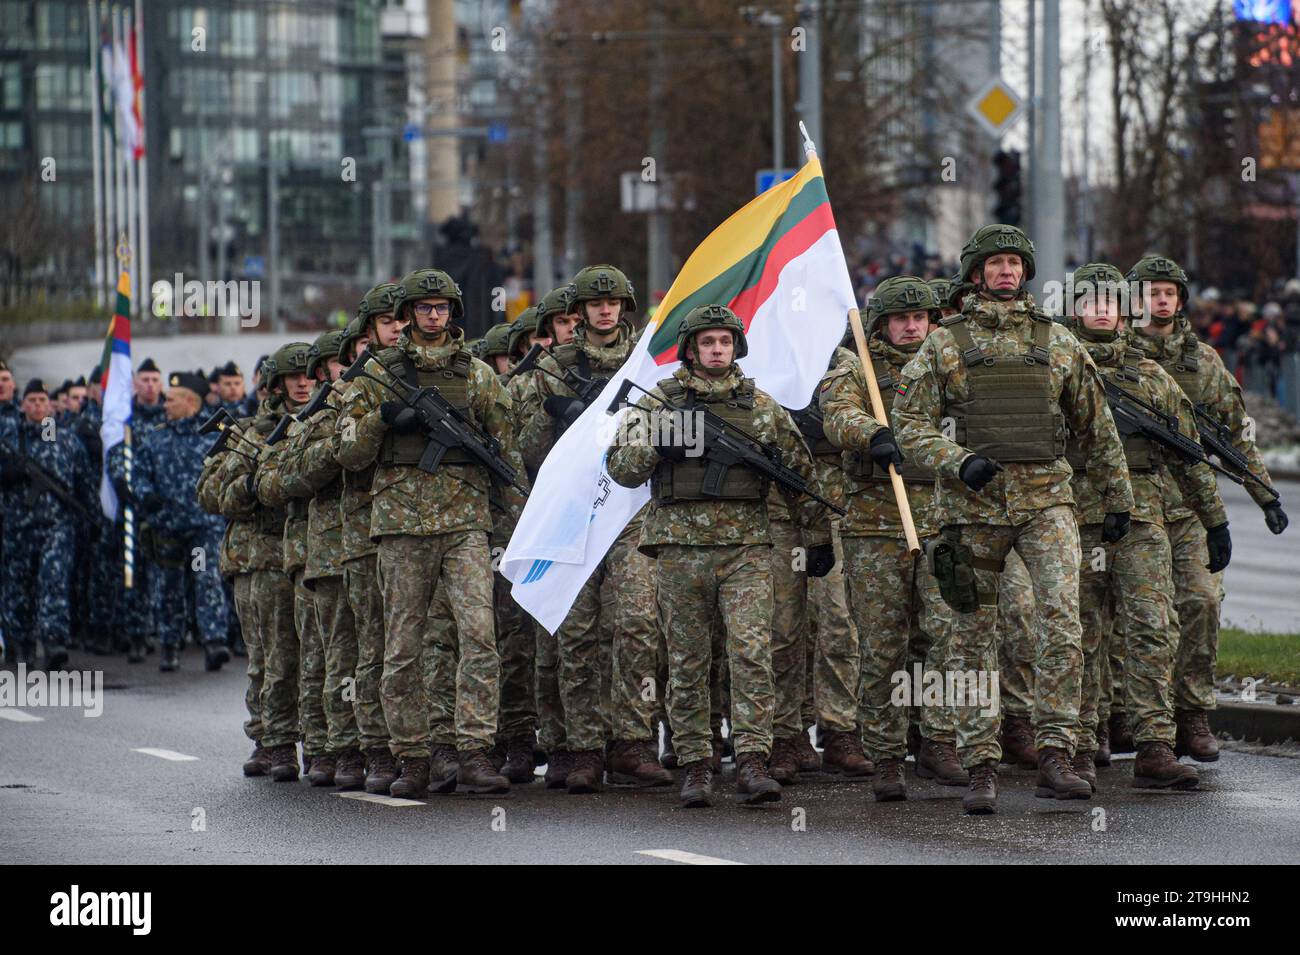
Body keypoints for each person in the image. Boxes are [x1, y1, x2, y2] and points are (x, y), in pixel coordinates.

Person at [892, 224, 1134, 814]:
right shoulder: (945, 343)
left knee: (1061, 626)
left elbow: (1096, 427)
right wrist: (957, 460)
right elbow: (907, 424)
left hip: (1047, 500)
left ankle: (1058, 752)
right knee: (971, 638)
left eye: (1015, 263)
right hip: (972, 509)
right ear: (976, 273)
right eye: (995, 263)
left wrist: (1118, 498)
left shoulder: (1057, 342)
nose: (1006, 272)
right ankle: (980, 765)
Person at [607, 304, 834, 808]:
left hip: (746, 551)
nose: (717, 350)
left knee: (751, 653)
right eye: (707, 342)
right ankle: (696, 762)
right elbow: (620, 467)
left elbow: (801, 475)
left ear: (736, 348)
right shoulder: (657, 403)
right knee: (688, 660)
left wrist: (817, 538)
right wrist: (660, 446)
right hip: (679, 550)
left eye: (725, 342)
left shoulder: (760, 407)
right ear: (691, 349)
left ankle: (753, 757)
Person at [336, 267, 521, 797]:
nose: (433, 316)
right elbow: (348, 452)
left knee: (479, 636)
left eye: (442, 308)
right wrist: (384, 421)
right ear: (409, 314)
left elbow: (504, 450)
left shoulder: (478, 375)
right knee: (403, 644)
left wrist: (519, 518)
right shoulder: (377, 374)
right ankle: (411, 755)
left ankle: (475, 749)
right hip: (400, 523)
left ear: (453, 313)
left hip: (466, 522)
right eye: (424, 308)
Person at [1064, 262, 1229, 790]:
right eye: (1091, 302)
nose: (1103, 311)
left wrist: (1214, 518)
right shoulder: (1056, 368)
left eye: (1111, 302)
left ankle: (1155, 745)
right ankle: (1081, 744)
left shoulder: (1150, 375)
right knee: (1080, 636)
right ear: (1073, 309)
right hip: (1073, 518)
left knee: (1153, 629)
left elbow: (1187, 453)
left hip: (1142, 518)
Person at [1124, 254, 1286, 762]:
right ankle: (1123, 718)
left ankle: (1191, 713)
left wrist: (1266, 496)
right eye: (1151, 292)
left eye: (1169, 292)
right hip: (1131, 507)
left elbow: (1236, 439)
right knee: (1137, 618)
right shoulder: (1110, 358)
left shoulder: (1204, 363)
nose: (1161, 300)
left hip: (1193, 508)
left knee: (1201, 604)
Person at [516, 264, 672, 792]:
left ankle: (631, 740)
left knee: (635, 623)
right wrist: (557, 416)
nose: (605, 311)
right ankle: (581, 746)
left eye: (613, 303)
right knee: (576, 632)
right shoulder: (550, 369)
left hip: (630, 510)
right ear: (577, 311)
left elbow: (668, 428)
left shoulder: (647, 363)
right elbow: (523, 450)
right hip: (571, 513)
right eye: (595, 304)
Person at [820, 277, 965, 801]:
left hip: (944, 519)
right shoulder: (855, 366)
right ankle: (885, 753)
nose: (912, 326)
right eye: (902, 319)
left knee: (945, 637)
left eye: (921, 318)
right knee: (882, 644)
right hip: (875, 526)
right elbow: (836, 413)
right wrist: (870, 433)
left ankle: (939, 740)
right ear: (880, 324)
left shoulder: (951, 363)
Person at [130, 370, 231, 673]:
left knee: (205, 580)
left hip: (203, 527)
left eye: (172, 400)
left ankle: (214, 642)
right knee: (169, 587)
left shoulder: (214, 437)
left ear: (190, 402)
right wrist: (146, 495)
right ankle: (170, 645)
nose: (165, 404)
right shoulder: (156, 436)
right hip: (167, 528)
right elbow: (138, 474)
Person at [0, 379, 94, 669]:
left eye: (42, 400)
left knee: (53, 581)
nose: (38, 406)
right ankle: (22, 644)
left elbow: (84, 482)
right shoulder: (11, 439)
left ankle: (54, 642)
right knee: (19, 587)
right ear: (23, 405)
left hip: (57, 525)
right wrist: (8, 474)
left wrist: (93, 518)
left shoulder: (65, 440)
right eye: (32, 401)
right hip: (18, 526)